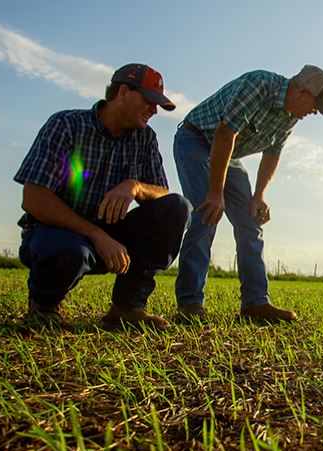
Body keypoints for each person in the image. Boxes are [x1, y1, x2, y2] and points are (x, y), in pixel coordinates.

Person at [14, 63, 191, 329]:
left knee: (177, 208)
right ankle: (44, 307)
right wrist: (97, 235)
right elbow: (34, 198)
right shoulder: (66, 125)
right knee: (68, 250)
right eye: (149, 101)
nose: (154, 111)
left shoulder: (145, 138)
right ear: (122, 92)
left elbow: (162, 193)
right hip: (57, 233)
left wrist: (135, 186)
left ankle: (127, 308)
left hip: (112, 236)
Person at [173, 64, 323, 322]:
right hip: (197, 140)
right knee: (207, 214)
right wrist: (215, 192)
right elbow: (225, 133)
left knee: (251, 223)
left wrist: (259, 195)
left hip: (230, 154)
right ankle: (190, 303)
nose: (313, 112)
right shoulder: (259, 85)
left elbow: (273, 153)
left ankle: (255, 304)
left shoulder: (291, 114)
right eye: (315, 105)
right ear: (302, 91)